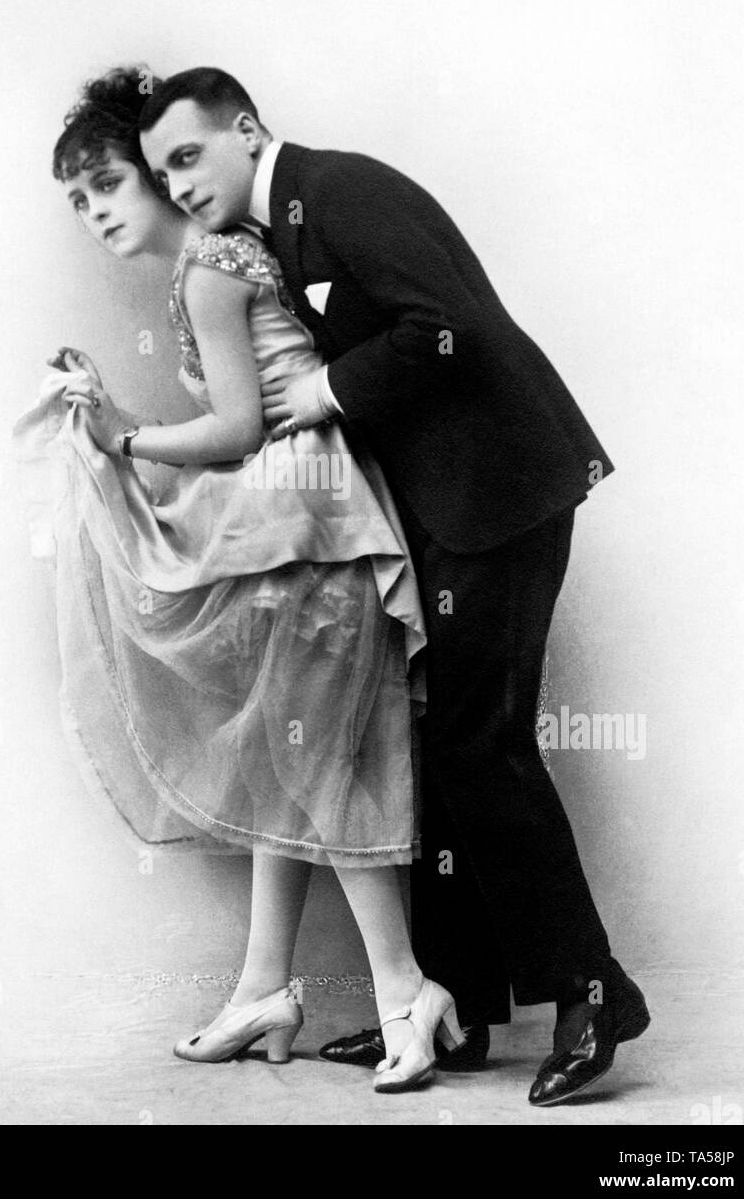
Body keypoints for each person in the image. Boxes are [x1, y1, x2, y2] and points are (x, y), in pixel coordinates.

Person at [139, 68, 651, 1107]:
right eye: (160, 170)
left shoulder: (340, 191)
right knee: (433, 744)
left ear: (247, 130)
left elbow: (452, 324)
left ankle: (593, 989)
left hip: (498, 494)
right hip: (440, 508)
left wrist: (327, 385)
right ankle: (451, 1005)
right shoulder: (271, 234)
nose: (178, 183)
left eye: (189, 154)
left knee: (479, 742)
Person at [11, 67, 466, 1094]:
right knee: (286, 754)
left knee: (313, 765)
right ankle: (265, 985)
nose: (94, 215)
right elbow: (234, 425)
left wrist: (124, 433)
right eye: (78, 202)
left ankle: (404, 992)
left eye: (107, 187)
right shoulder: (219, 261)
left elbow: (236, 429)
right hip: (291, 519)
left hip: (307, 525)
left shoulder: (213, 267)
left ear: (156, 175)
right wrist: (114, 419)